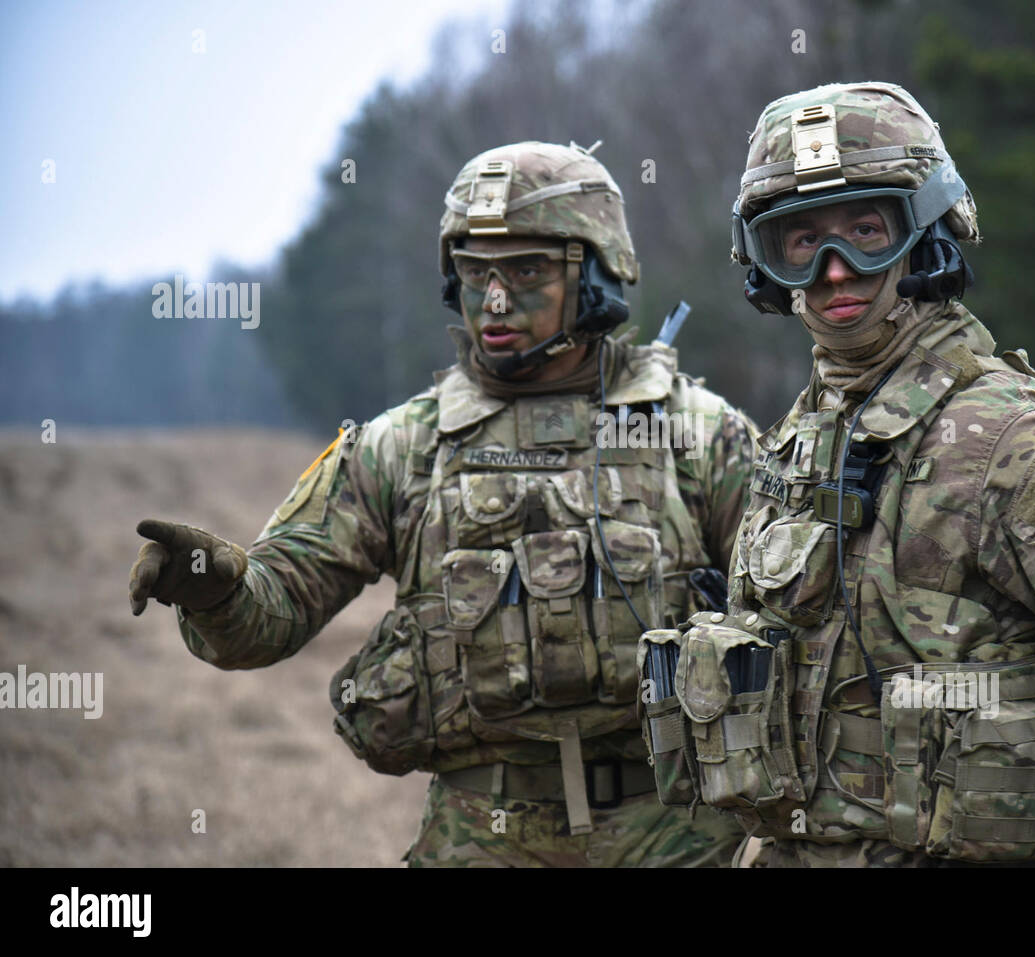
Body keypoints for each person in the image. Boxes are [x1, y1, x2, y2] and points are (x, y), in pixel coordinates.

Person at [637, 83, 1035, 868]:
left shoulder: (1009, 439)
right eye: (800, 241)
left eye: (866, 231)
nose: (835, 271)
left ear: (926, 234)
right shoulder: (807, 430)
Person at [128, 140, 754, 867]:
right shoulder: (403, 446)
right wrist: (212, 585)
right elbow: (275, 609)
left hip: (675, 833)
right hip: (480, 837)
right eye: (474, 270)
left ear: (596, 276)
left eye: (525, 271)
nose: (492, 299)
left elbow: (801, 618)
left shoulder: (698, 434)